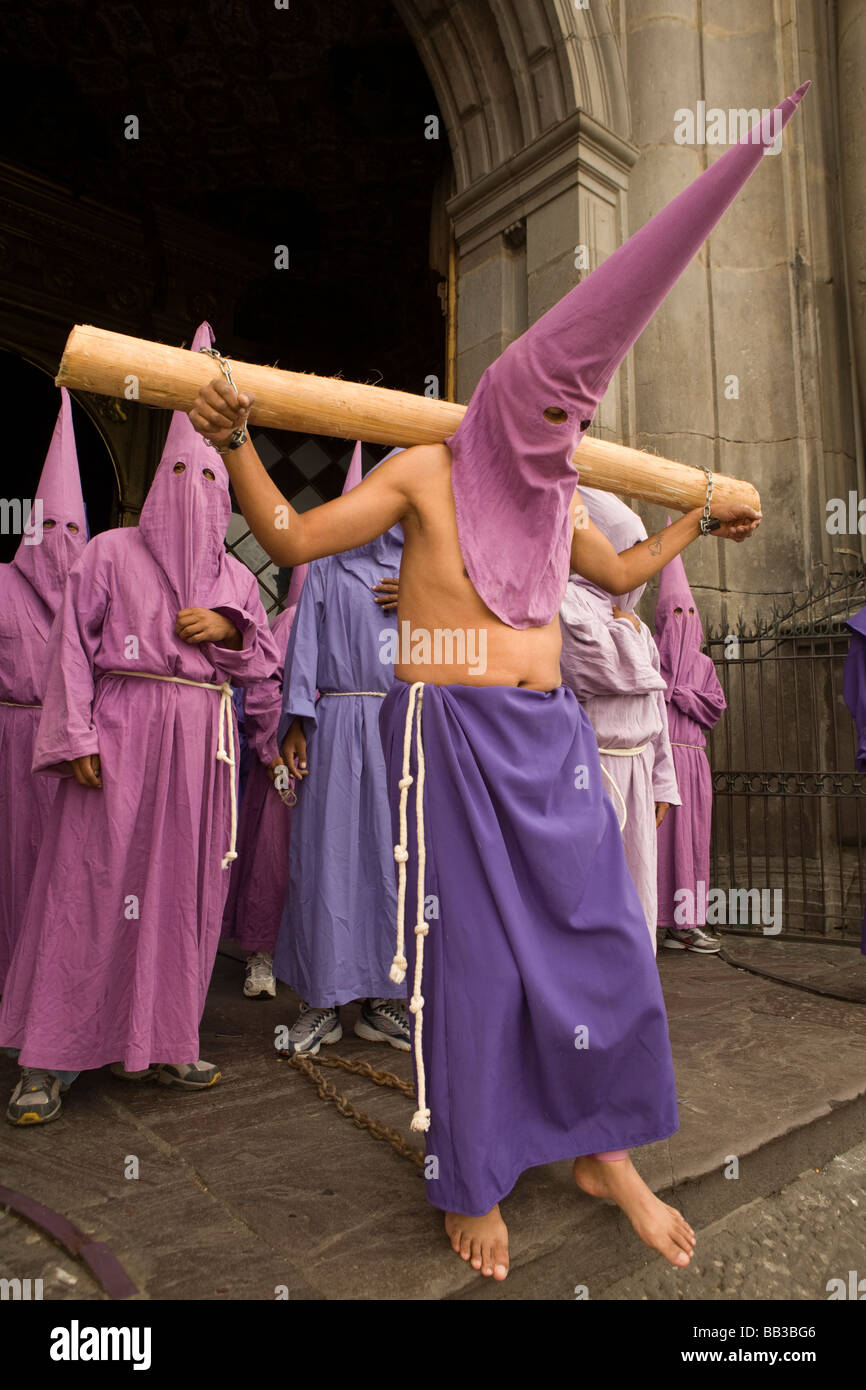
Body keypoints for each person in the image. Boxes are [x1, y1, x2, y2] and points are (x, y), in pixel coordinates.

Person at [187, 86, 806, 1280]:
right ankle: (469, 1172)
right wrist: (229, 441)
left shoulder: (560, 493)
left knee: (604, 943)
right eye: (554, 407)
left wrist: (687, 526)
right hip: (453, 737)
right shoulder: (425, 470)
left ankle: (599, 1145)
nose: (562, 427)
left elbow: (619, 575)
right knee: (471, 961)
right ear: (513, 402)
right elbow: (298, 543)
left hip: (553, 737)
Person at [2, 322, 281, 1126]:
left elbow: (262, 665)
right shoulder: (110, 554)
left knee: (182, 891)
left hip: (200, 747)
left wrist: (229, 631)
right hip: (120, 739)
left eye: (208, 474)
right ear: (161, 477)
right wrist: (76, 735)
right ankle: (49, 1058)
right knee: (87, 887)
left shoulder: (234, 576)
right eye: (183, 470)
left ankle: (164, 1040)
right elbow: (68, 655)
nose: (196, 487)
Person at [274, 444, 409, 1053]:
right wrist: (297, 720)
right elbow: (304, 639)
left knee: (396, 860)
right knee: (329, 859)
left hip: (403, 727)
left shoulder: (426, 565)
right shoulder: (327, 561)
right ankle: (322, 998)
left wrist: (423, 599)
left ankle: (386, 999)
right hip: (338, 722)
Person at [560, 487, 680, 952]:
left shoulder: (631, 618)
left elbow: (656, 704)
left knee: (636, 888)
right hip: (592, 767)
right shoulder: (567, 599)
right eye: (629, 551)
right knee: (591, 887)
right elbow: (600, 669)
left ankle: (632, 989)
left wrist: (663, 780)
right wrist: (626, 633)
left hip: (638, 767)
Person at [0, 389, 87, 990]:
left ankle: (56, 986)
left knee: (66, 873)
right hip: (9, 743)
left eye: (73, 527)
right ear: (29, 527)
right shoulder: (1, 584)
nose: (59, 538)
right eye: (48, 525)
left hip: (72, 751)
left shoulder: (96, 593)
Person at [222, 562, 307, 1000]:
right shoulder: (292, 620)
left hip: (337, 758)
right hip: (288, 757)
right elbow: (261, 687)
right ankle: (262, 955)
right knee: (273, 858)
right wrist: (273, 746)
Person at [654, 542, 727, 953]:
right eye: (674, 613)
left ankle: (688, 922)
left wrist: (685, 697)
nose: (682, 621)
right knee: (659, 842)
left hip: (693, 762)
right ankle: (659, 918)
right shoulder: (650, 659)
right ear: (663, 618)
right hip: (661, 761)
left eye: (689, 612)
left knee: (693, 841)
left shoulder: (704, 666)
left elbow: (715, 707)